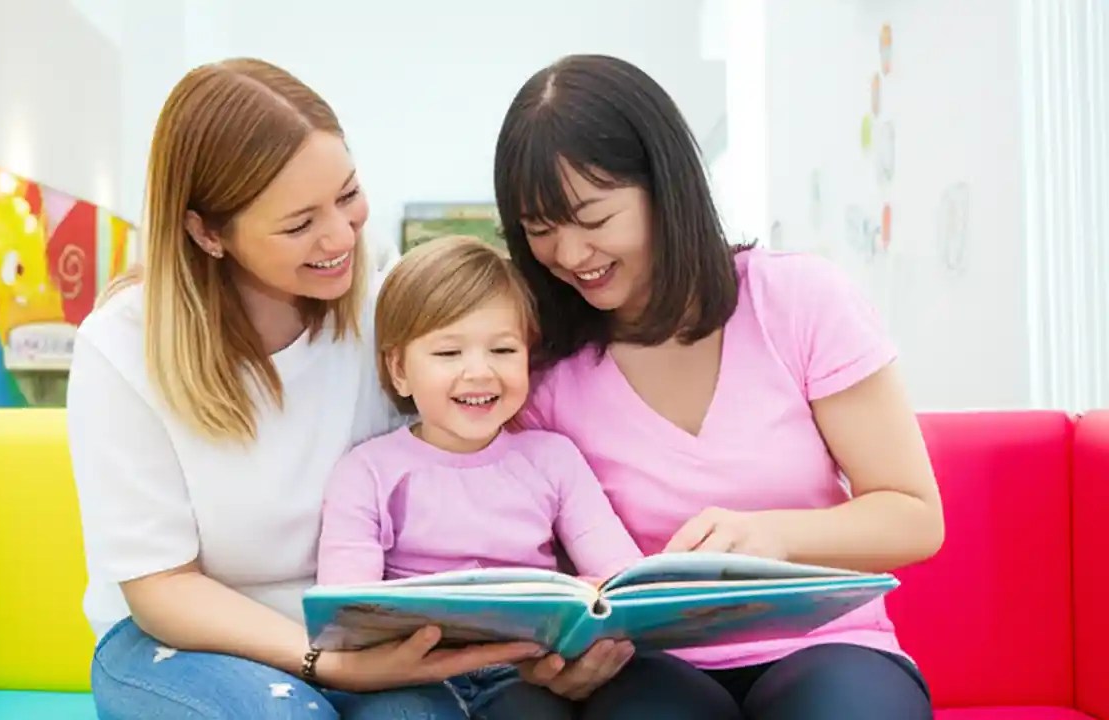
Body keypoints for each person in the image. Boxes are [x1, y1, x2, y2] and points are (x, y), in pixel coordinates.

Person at [64, 58, 543, 720]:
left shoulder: (383, 311)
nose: (341, 236)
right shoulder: (122, 349)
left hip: (358, 633)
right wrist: (328, 662)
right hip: (175, 640)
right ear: (207, 232)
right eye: (298, 224)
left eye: (348, 195)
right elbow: (162, 588)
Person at [490, 54, 944, 719]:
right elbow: (535, 562)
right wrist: (557, 648)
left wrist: (775, 537)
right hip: (645, 663)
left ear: (662, 186)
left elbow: (913, 515)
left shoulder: (796, 299)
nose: (569, 254)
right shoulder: (540, 366)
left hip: (827, 645)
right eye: (539, 231)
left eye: (592, 219)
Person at [315, 235, 644, 719]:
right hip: (405, 675)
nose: (479, 372)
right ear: (399, 370)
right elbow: (345, 614)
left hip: (522, 671)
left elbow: (619, 578)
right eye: (448, 353)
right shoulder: (367, 471)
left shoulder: (552, 458)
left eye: (503, 350)